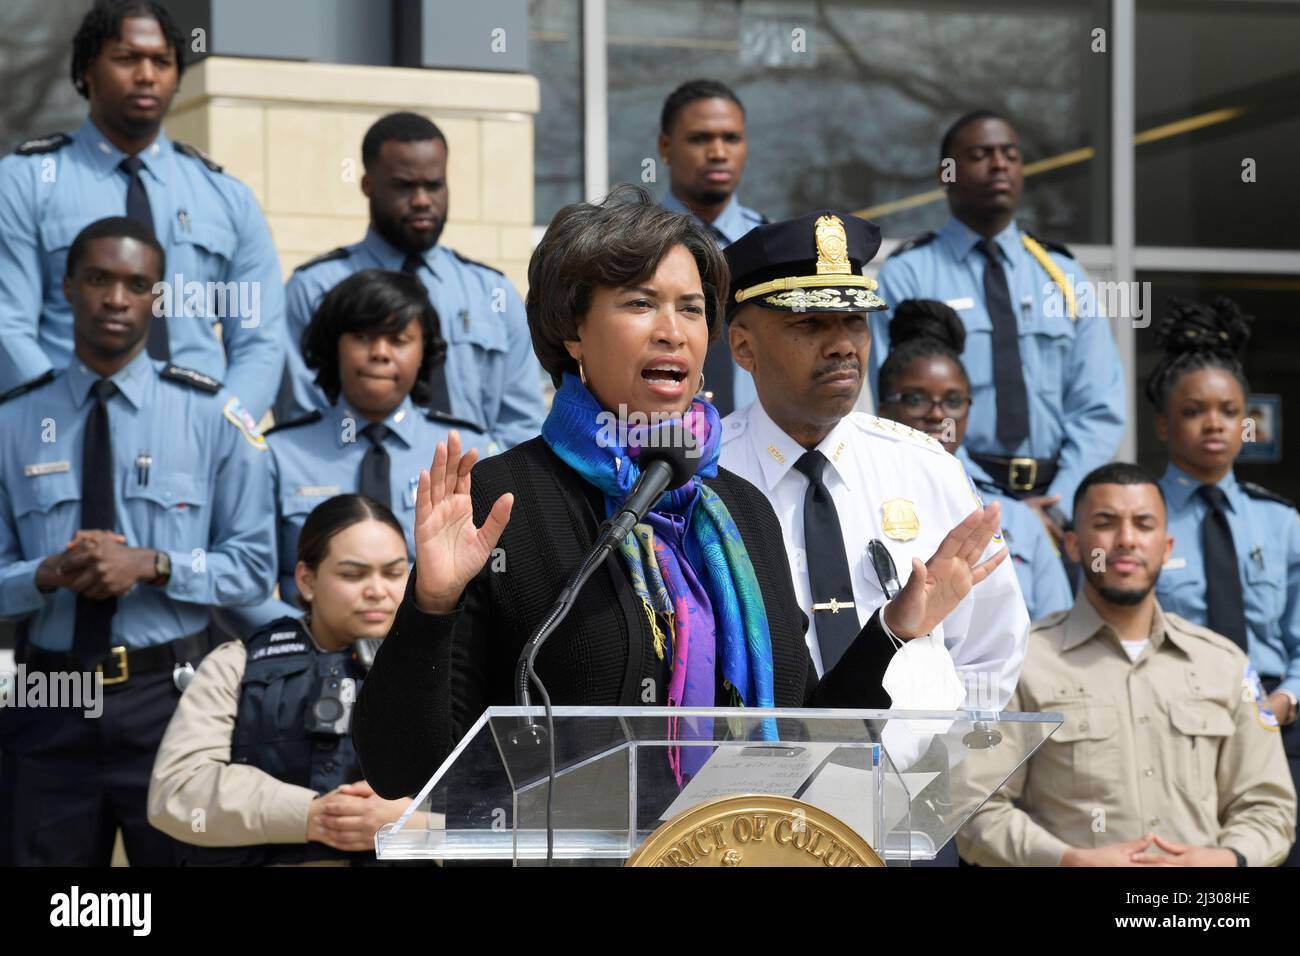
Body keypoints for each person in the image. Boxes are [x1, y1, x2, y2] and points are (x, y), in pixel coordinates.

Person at [353, 186, 1008, 802]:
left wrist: (891, 634)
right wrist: (431, 606)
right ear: (571, 330)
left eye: (691, 308)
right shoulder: (503, 499)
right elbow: (405, 771)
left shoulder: (740, 508)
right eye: (641, 303)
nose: (674, 330)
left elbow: (803, 739)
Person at [0, 217, 276, 865]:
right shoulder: (12, 421)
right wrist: (45, 573)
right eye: (98, 279)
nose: (117, 299)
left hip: (174, 701)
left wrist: (155, 564)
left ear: (159, 296)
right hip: (50, 698)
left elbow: (253, 567)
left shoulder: (214, 416)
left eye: (137, 283)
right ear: (66, 287)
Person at [718, 214, 1027, 713]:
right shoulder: (705, 478)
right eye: (809, 323)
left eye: (854, 322)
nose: (842, 345)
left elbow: (993, 645)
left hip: (906, 782)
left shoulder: (927, 468)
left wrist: (930, 759)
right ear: (743, 346)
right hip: (758, 783)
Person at [958, 463, 1295, 867]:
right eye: (1105, 523)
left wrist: (1226, 858)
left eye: (1144, 524)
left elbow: (1268, 805)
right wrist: (1067, 860)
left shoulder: (1225, 665)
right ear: (1072, 545)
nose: (1126, 540)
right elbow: (974, 806)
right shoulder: (1020, 662)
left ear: (1167, 548)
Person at [0, 0, 285, 417]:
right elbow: (7, 325)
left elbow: (261, 341)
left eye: (162, 61)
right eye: (126, 58)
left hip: (196, 444)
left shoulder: (227, 198)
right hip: (67, 434)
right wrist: (62, 419)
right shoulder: (24, 181)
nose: (146, 75)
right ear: (87, 70)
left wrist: (224, 433)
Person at [869, 110, 1124, 543]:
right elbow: (901, 409)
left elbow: (1098, 406)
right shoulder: (908, 275)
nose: (1000, 164)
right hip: (954, 505)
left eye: (1010, 154)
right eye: (981, 154)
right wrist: (990, 502)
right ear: (946, 174)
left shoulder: (1062, 275)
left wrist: (1062, 504)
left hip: (1061, 518)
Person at [149, 495, 415, 865]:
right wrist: (310, 816)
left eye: (394, 572)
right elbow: (176, 791)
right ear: (306, 580)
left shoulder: (443, 666)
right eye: (352, 574)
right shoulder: (235, 664)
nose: (377, 590)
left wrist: (412, 822)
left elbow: (500, 797)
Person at [223, 269, 491, 633]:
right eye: (363, 337)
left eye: (398, 339)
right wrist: (310, 642)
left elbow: (498, 580)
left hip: (438, 661)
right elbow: (242, 586)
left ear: (423, 352)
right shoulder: (278, 454)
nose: (380, 353)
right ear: (334, 346)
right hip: (311, 673)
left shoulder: (469, 453)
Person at [275, 112, 544, 450]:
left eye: (433, 185)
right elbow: (303, 419)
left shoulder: (493, 293)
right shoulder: (314, 289)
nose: (421, 200)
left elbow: (521, 425)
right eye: (404, 186)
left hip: (474, 493)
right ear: (367, 186)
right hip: (354, 490)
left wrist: (480, 487)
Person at [1147, 296, 1300, 866]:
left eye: (1229, 411)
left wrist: (1285, 701)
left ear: (1247, 421)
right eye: (1193, 411)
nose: (1214, 423)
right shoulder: (1140, 518)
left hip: (1274, 735)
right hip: (1172, 734)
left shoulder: (1281, 522)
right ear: (1163, 422)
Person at [875, 298, 1072, 623]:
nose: (937, 414)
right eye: (915, 399)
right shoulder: (854, 495)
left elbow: (1055, 636)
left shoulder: (1017, 518)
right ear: (883, 410)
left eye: (953, 401)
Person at [657, 80, 766, 417]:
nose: (718, 152)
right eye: (700, 138)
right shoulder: (628, 245)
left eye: (731, 138)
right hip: (646, 443)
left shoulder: (771, 250)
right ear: (665, 147)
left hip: (757, 456)